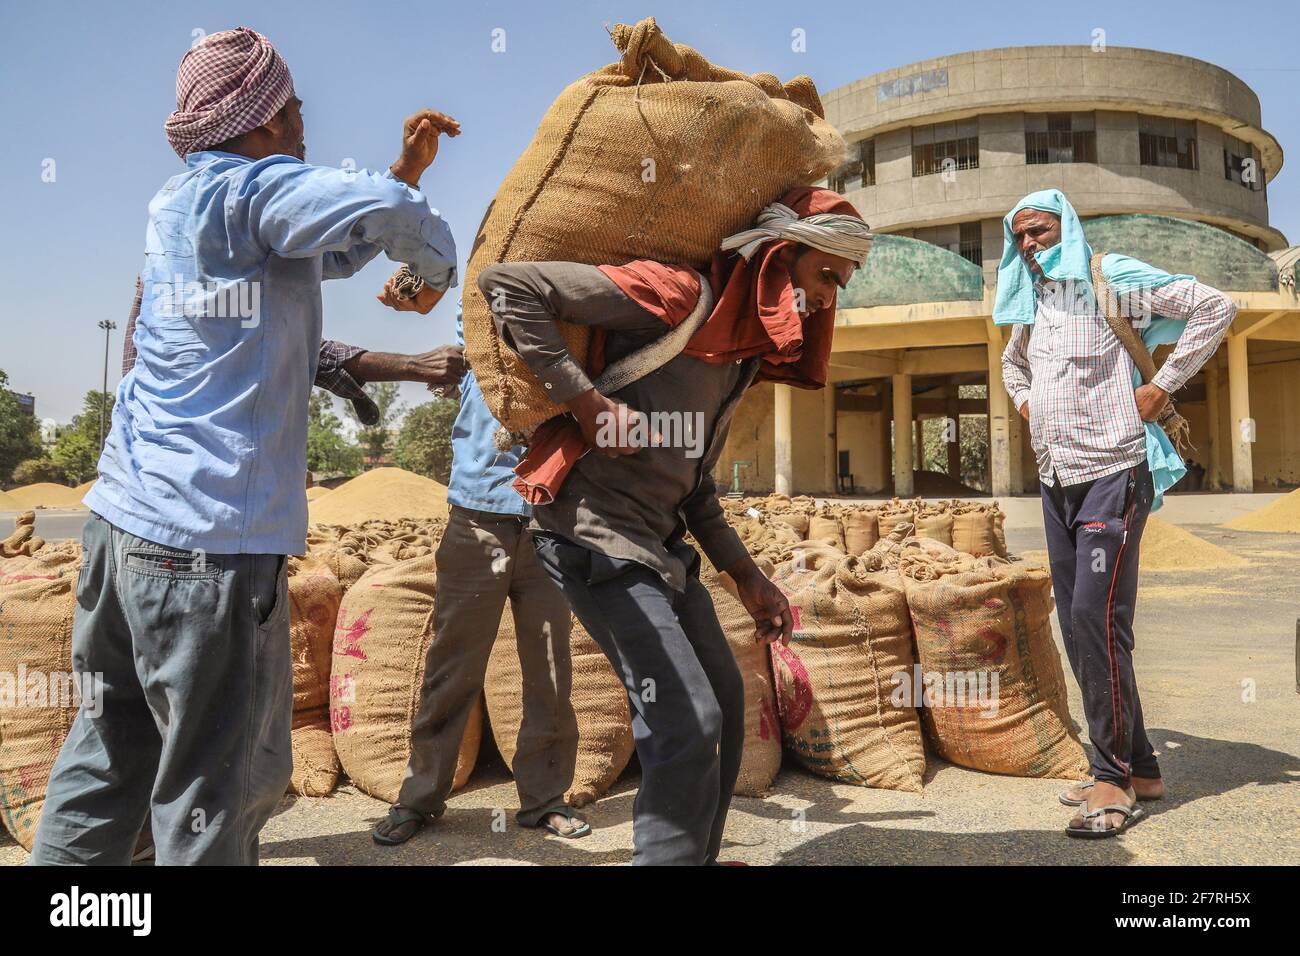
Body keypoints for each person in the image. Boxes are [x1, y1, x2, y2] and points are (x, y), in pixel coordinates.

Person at [31, 26, 459, 866]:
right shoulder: (250, 193)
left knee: (105, 762)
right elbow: (391, 217)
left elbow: (329, 246)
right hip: (203, 550)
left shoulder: (186, 205)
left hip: (120, 535)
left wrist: (401, 172)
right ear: (260, 122)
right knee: (213, 798)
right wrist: (431, 273)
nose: (305, 125)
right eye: (295, 110)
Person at [482, 187, 873, 864]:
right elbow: (508, 286)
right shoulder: (676, 298)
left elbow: (692, 490)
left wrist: (748, 577)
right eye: (827, 275)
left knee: (721, 705)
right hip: (594, 538)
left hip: (659, 546)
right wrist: (589, 404)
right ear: (780, 258)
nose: (831, 299)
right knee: (684, 721)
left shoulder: (736, 357)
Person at [996, 189, 1236, 838]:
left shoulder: (1112, 279)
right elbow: (1011, 366)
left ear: (1065, 228)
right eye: (1018, 237)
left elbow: (1215, 306)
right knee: (1084, 628)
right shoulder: (1033, 305)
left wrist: (1161, 385)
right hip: (1055, 482)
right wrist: (1027, 406)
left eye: (1039, 231)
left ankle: (1112, 779)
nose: (1028, 245)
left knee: (1094, 619)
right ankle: (1143, 765)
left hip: (1112, 475)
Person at [369, 304, 586, 847]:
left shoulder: (575, 347)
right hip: (477, 521)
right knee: (452, 665)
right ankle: (419, 799)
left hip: (549, 522)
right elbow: (476, 307)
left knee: (552, 670)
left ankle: (544, 800)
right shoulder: (484, 329)